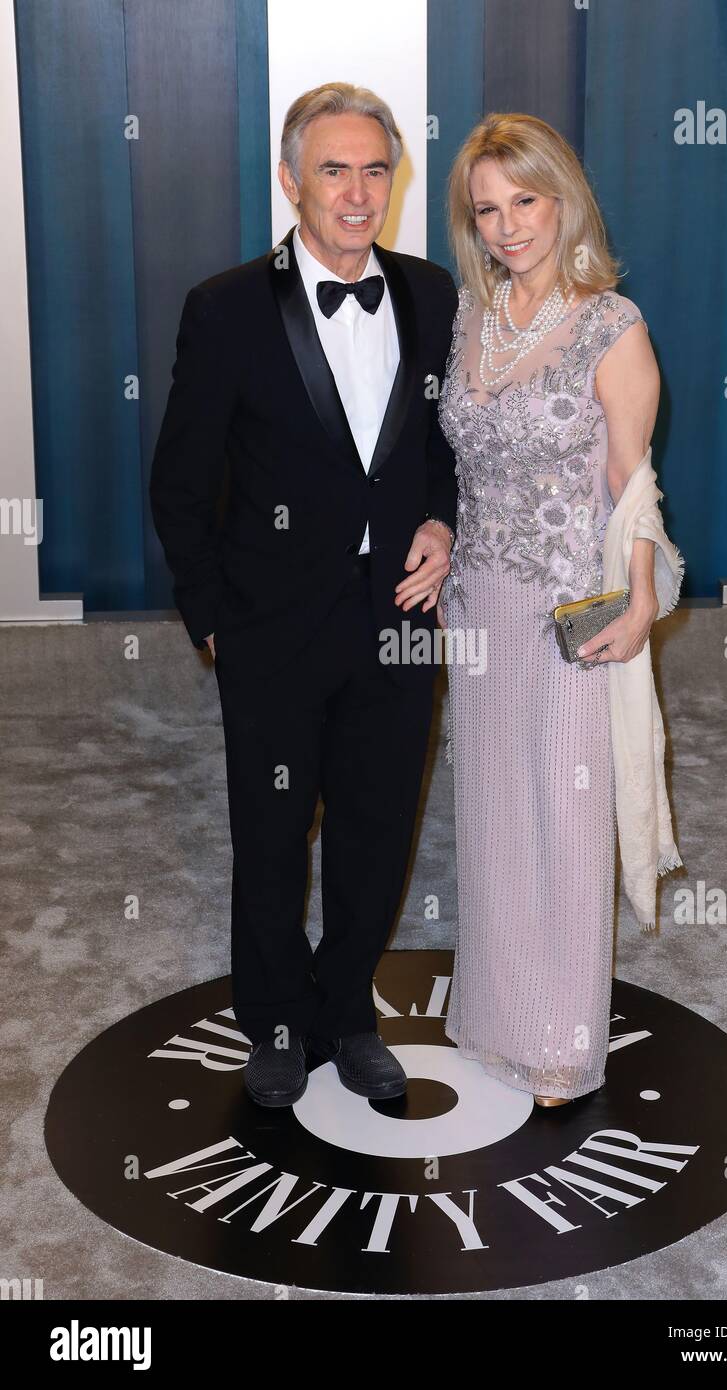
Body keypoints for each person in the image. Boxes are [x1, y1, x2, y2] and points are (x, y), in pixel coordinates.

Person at [150, 83, 457, 1108]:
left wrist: (440, 524)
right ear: (291, 180)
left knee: (377, 831)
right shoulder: (226, 307)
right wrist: (211, 625)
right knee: (274, 837)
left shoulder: (432, 295)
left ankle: (347, 1012)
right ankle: (276, 1023)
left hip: (400, 622)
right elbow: (181, 484)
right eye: (334, 169)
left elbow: (442, 454)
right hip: (271, 629)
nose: (357, 191)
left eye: (375, 168)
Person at [437, 112, 681, 1107]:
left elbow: (631, 477)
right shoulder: (469, 316)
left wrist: (634, 598)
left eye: (523, 201)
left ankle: (561, 1039)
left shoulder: (609, 324)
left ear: (561, 196)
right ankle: (496, 1017)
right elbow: (455, 464)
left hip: (568, 598)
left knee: (564, 815)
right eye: (486, 209)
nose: (507, 226)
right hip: (479, 603)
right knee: (493, 815)